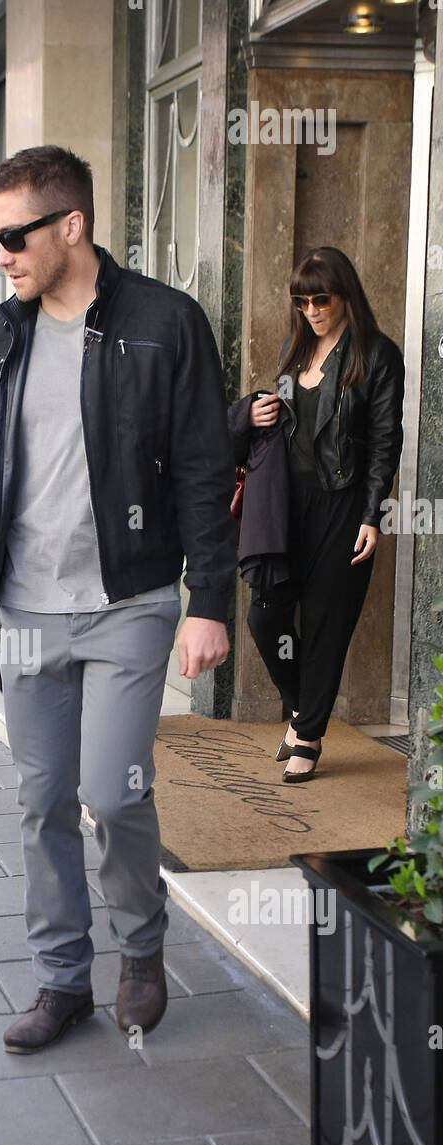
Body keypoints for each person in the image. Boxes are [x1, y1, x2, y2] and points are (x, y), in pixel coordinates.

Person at [0, 146, 238, 1053]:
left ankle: (140, 945)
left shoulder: (164, 324)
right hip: (23, 610)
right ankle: (61, 980)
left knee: (114, 789)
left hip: (129, 603)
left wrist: (208, 599)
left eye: (14, 235)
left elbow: (209, 473)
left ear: (72, 226)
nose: (1, 254)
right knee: (42, 796)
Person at [230, 246, 405, 784]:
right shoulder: (293, 347)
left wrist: (373, 516)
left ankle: (306, 733)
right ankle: (309, 710)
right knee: (266, 616)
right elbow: (285, 428)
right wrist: (257, 410)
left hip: (344, 503)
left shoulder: (376, 355)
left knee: (327, 623)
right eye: (301, 300)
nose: (311, 309)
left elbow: (383, 442)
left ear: (345, 293)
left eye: (321, 298)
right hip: (287, 504)